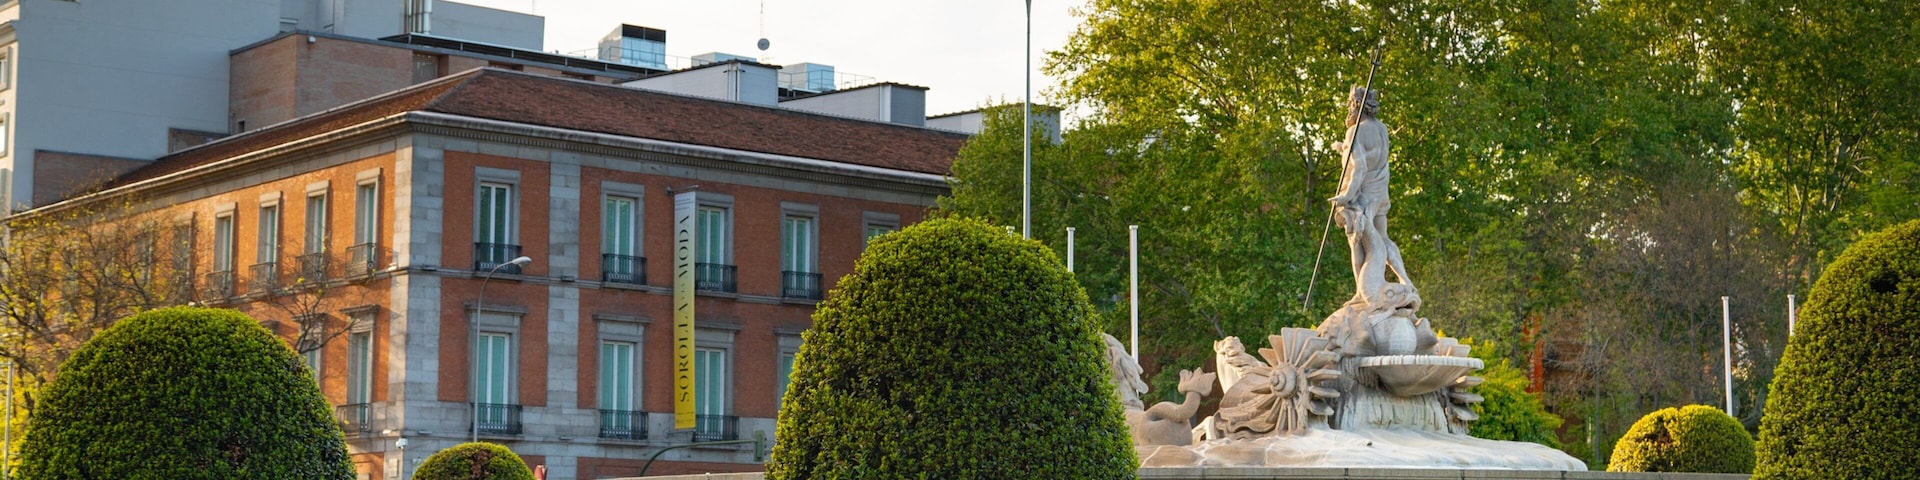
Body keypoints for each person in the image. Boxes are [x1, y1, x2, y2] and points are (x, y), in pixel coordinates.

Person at [1329, 87, 1413, 306]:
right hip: (1380, 190)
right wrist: (1343, 148)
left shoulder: (1355, 131)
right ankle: (1405, 280)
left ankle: (1361, 294)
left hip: (1362, 194)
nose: (1348, 108)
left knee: (1357, 243)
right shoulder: (1381, 128)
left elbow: (1359, 167)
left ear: (1356, 104)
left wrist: (1346, 196)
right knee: (1383, 239)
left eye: (1349, 104)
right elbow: (1372, 155)